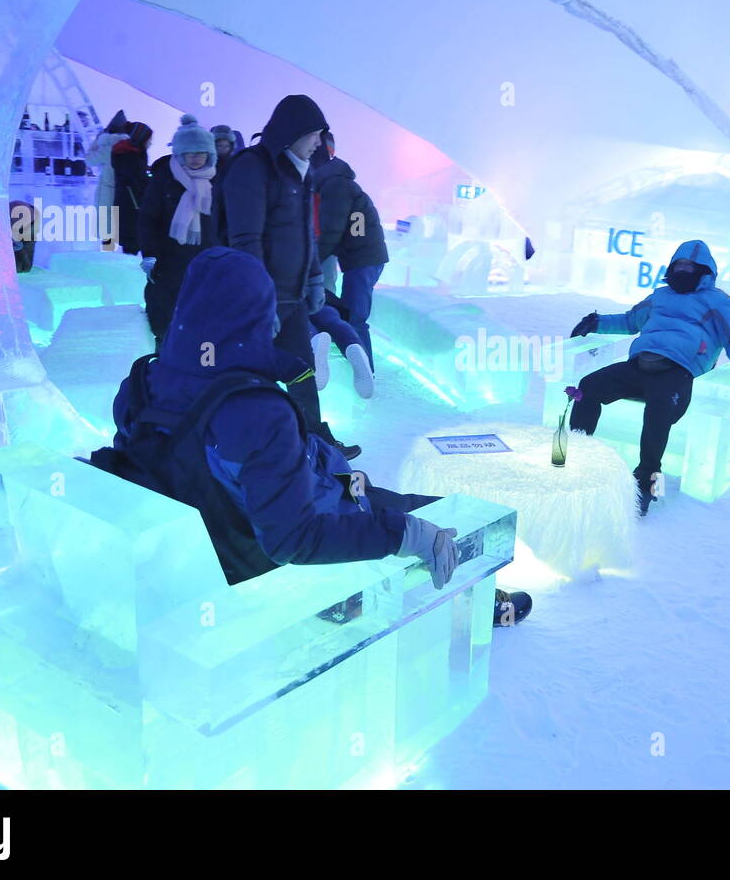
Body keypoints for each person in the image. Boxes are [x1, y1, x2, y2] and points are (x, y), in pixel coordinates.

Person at [90, 247, 530, 626]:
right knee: (440, 515)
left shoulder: (142, 384)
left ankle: (465, 587)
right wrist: (405, 535)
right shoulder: (257, 411)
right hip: (275, 546)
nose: (276, 325)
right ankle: (480, 601)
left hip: (240, 521)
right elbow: (293, 539)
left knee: (381, 495)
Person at [568, 239, 730, 515]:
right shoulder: (660, 296)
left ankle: (649, 483)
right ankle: (577, 456)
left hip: (678, 370)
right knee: (589, 386)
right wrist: (596, 322)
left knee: (660, 409)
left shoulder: (719, 301)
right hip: (639, 365)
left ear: (704, 270)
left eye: (690, 267)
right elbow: (630, 321)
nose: (683, 270)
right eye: (679, 265)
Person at [224, 95, 360, 460]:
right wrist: (258, 301)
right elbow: (245, 239)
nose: (318, 141)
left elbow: (306, 234)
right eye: (314, 134)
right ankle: (257, 450)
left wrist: (315, 279)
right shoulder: (251, 168)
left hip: (293, 299)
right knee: (256, 378)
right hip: (262, 302)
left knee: (302, 374)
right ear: (292, 132)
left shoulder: (300, 171)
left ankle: (314, 443)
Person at [137, 114, 220, 349]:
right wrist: (150, 255)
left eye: (201, 152)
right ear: (180, 154)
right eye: (190, 153)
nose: (196, 158)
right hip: (169, 261)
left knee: (204, 316)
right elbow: (148, 219)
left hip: (207, 260)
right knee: (167, 317)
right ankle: (164, 362)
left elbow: (224, 222)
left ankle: (201, 362)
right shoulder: (164, 178)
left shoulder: (216, 181)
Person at [309, 131, 388, 372]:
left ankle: (366, 373)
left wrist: (310, 263)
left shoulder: (335, 185)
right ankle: (360, 369)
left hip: (363, 259)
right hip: (361, 258)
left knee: (356, 317)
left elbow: (332, 230)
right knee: (353, 315)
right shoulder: (334, 182)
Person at [85, 110, 128, 249]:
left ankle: (109, 254)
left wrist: (97, 141)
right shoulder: (131, 146)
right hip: (125, 190)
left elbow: (90, 160)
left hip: (108, 191)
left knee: (107, 225)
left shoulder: (108, 146)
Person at [110, 121, 153, 256]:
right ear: (141, 140)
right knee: (133, 246)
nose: (151, 143)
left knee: (132, 246)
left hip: (128, 205)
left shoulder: (129, 153)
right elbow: (138, 182)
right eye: (149, 140)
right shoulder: (130, 156)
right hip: (132, 207)